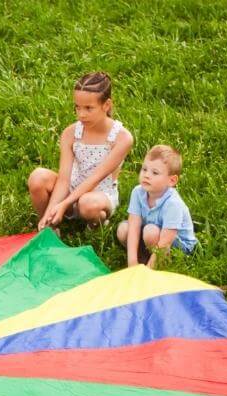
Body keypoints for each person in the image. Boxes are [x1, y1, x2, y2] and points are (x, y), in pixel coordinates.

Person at [28, 71, 133, 229]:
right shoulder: (71, 133)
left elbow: (95, 178)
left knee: (87, 203)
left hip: (98, 197)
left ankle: (95, 225)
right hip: (71, 190)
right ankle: (50, 225)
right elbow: (64, 180)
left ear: (107, 105)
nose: (81, 114)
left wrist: (65, 204)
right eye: (77, 107)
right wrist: (52, 209)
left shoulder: (121, 138)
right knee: (37, 177)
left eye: (89, 108)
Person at [115, 145, 198, 267]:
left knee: (150, 232)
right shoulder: (138, 192)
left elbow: (165, 241)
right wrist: (131, 262)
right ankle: (142, 259)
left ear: (172, 181)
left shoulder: (173, 203)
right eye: (144, 169)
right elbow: (134, 226)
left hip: (177, 245)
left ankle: (161, 263)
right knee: (123, 230)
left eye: (155, 172)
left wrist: (149, 271)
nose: (147, 175)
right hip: (151, 234)